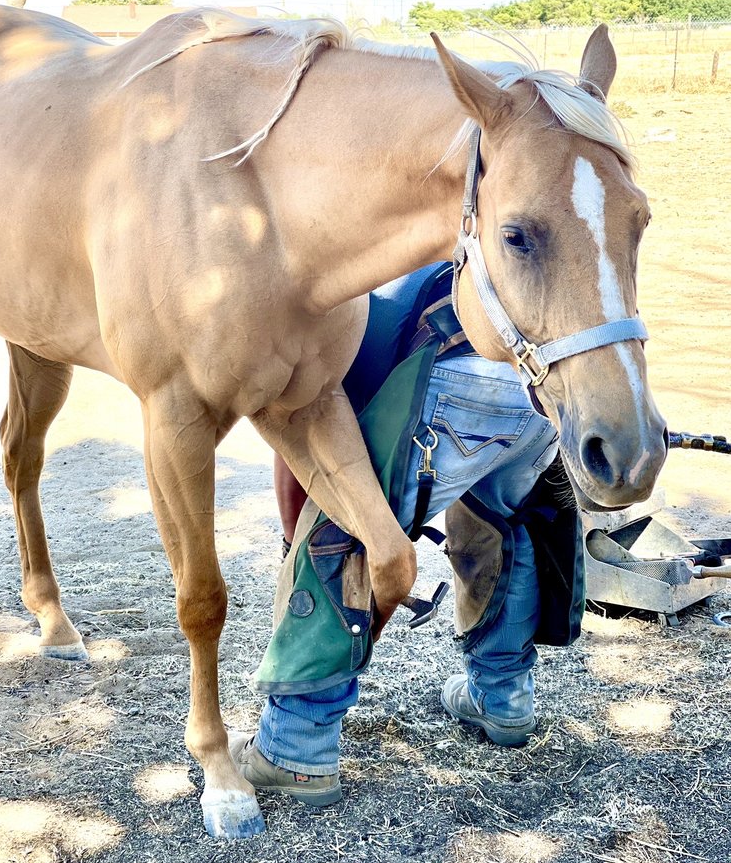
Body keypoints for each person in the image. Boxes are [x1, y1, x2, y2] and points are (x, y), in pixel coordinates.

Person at [231, 263, 583, 807]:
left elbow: (305, 464)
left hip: (451, 379)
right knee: (499, 527)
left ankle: (296, 749)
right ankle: (504, 701)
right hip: (540, 386)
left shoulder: (298, 303)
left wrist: (298, 544)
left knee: (341, 532)